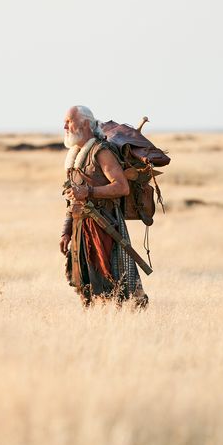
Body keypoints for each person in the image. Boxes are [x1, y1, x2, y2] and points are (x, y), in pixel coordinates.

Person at [59, 105, 149, 309]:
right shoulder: (74, 157)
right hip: (81, 228)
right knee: (85, 282)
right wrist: (66, 231)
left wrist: (89, 192)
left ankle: (121, 318)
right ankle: (95, 323)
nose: (64, 125)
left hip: (105, 226)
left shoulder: (102, 151)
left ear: (84, 124)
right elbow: (73, 198)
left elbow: (122, 186)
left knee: (110, 280)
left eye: (69, 121)